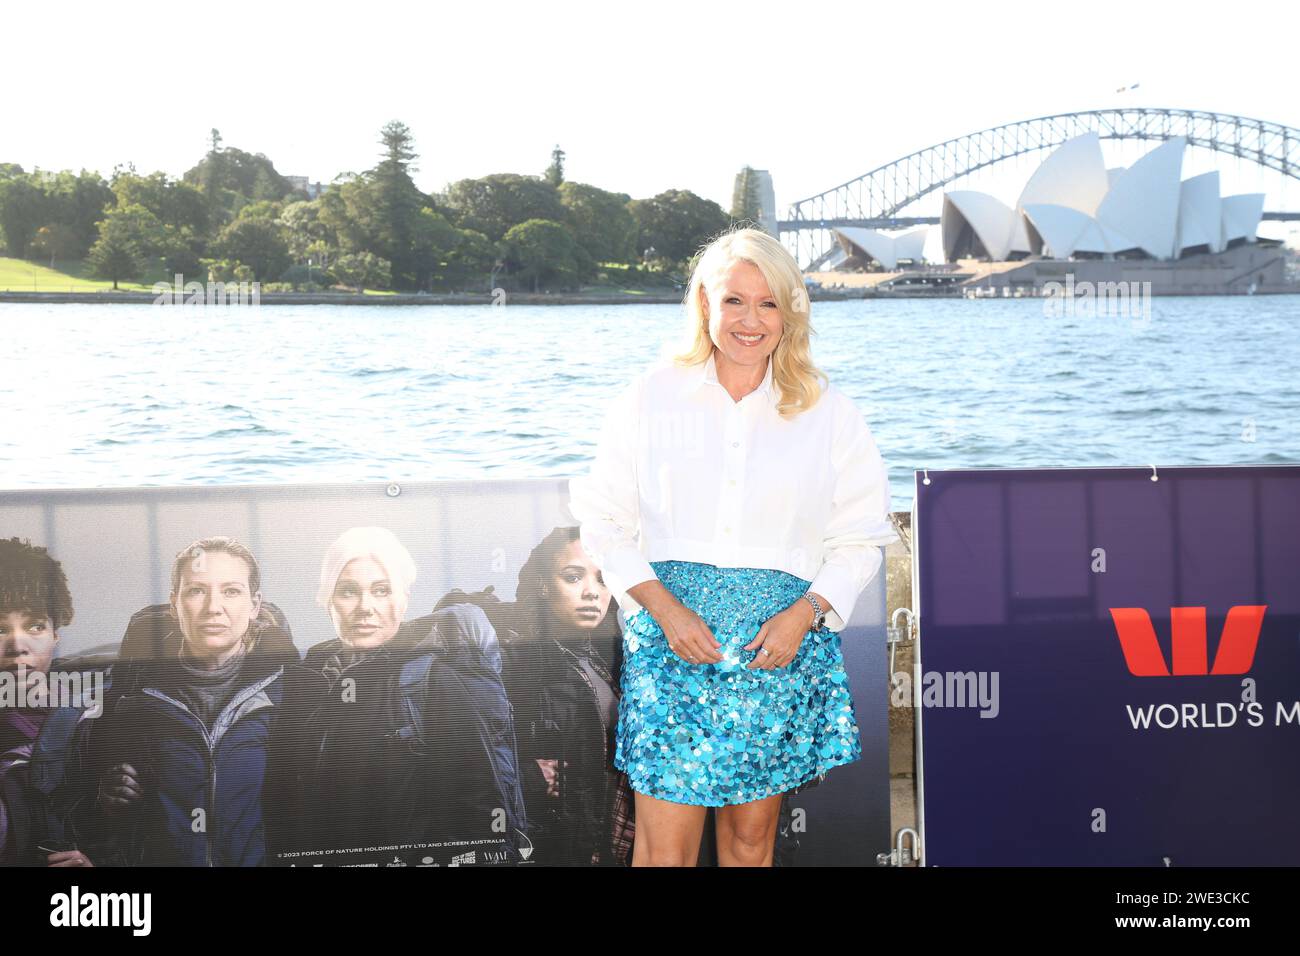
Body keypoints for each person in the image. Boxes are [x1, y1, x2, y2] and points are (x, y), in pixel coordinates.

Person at [568, 226, 897, 867]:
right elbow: (604, 522)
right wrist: (667, 611)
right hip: (671, 643)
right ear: (704, 305)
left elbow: (860, 536)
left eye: (769, 302)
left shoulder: (829, 411)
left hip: (775, 646)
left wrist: (804, 616)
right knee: (665, 849)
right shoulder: (650, 398)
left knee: (751, 843)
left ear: (791, 313)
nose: (751, 320)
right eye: (734, 301)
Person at [269, 527, 525, 866]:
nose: (365, 608)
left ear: (403, 600)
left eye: (381, 590)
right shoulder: (307, 682)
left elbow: (478, 812)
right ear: (327, 600)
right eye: (347, 591)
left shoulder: (433, 682)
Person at [84, 536, 296, 866]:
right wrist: (107, 799)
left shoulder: (295, 695)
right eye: (197, 590)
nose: (213, 607)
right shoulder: (128, 701)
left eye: (231, 591)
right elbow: (100, 822)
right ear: (174, 604)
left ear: (254, 605)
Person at [495, 526, 634, 865]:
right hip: (555, 844)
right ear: (543, 586)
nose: (592, 592)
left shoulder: (613, 660)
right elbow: (474, 752)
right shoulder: (515, 661)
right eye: (573, 578)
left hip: (608, 839)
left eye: (603, 580)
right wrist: (529, 773)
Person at [0, 537, 94, 867]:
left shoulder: (95, 726)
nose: (17, 645)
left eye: (35, 625)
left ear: (56, 632)